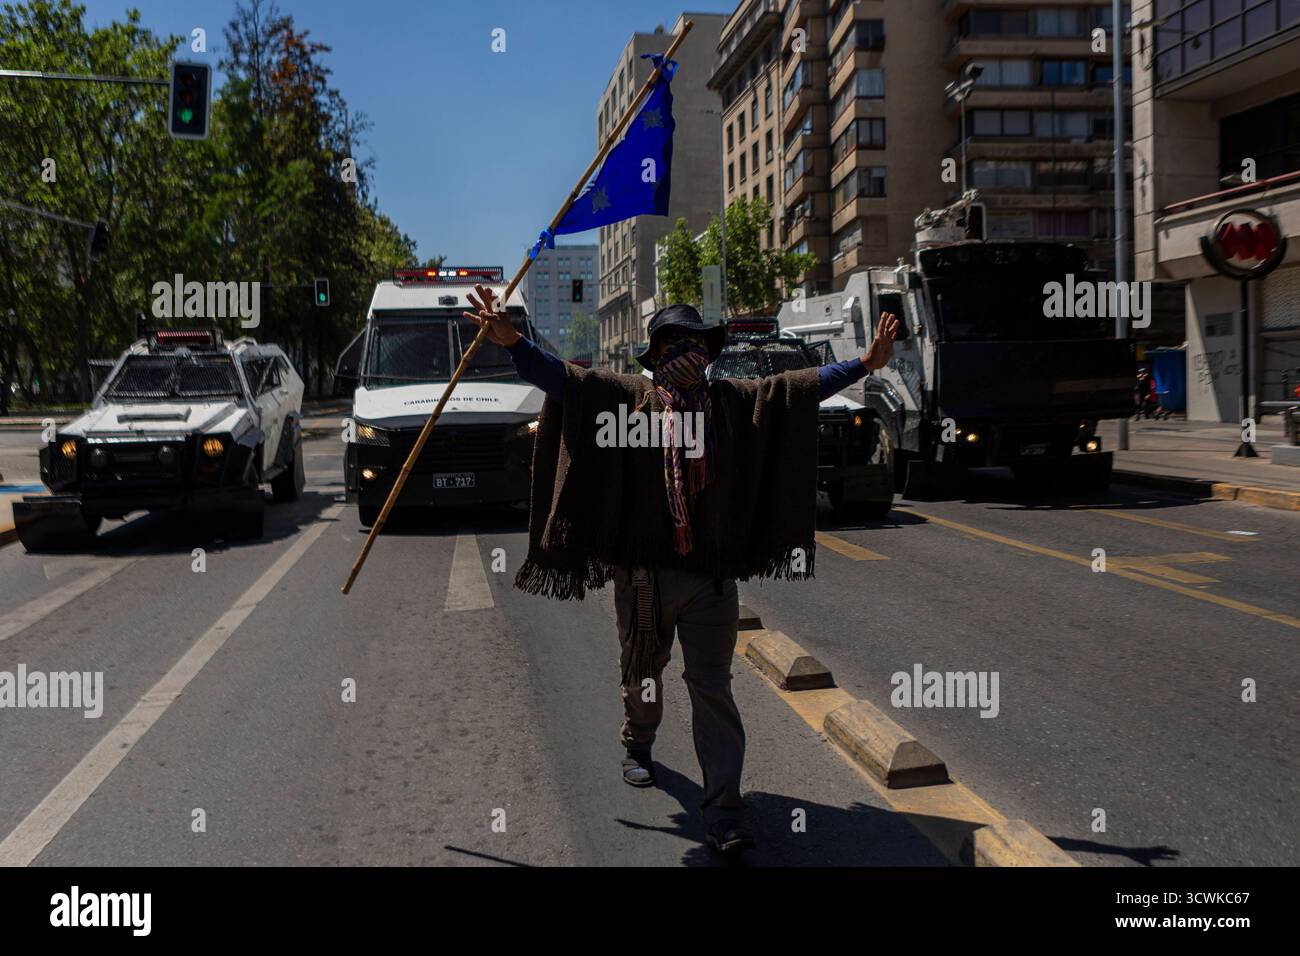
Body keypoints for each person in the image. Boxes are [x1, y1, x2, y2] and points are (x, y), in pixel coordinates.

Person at [464, 286, 898, 855]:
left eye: (694, 342)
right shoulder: (628, 401)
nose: (686, 352)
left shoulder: (732, 405)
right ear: (657, 352)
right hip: (642, 577)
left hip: (709, 581)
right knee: (644, 675)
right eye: (673, 342)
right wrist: (513, 342)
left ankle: (724, 810)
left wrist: (865, 364)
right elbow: (566, 382)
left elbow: (796, 390)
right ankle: (638, 741)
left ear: (709, 351)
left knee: (711, 687)